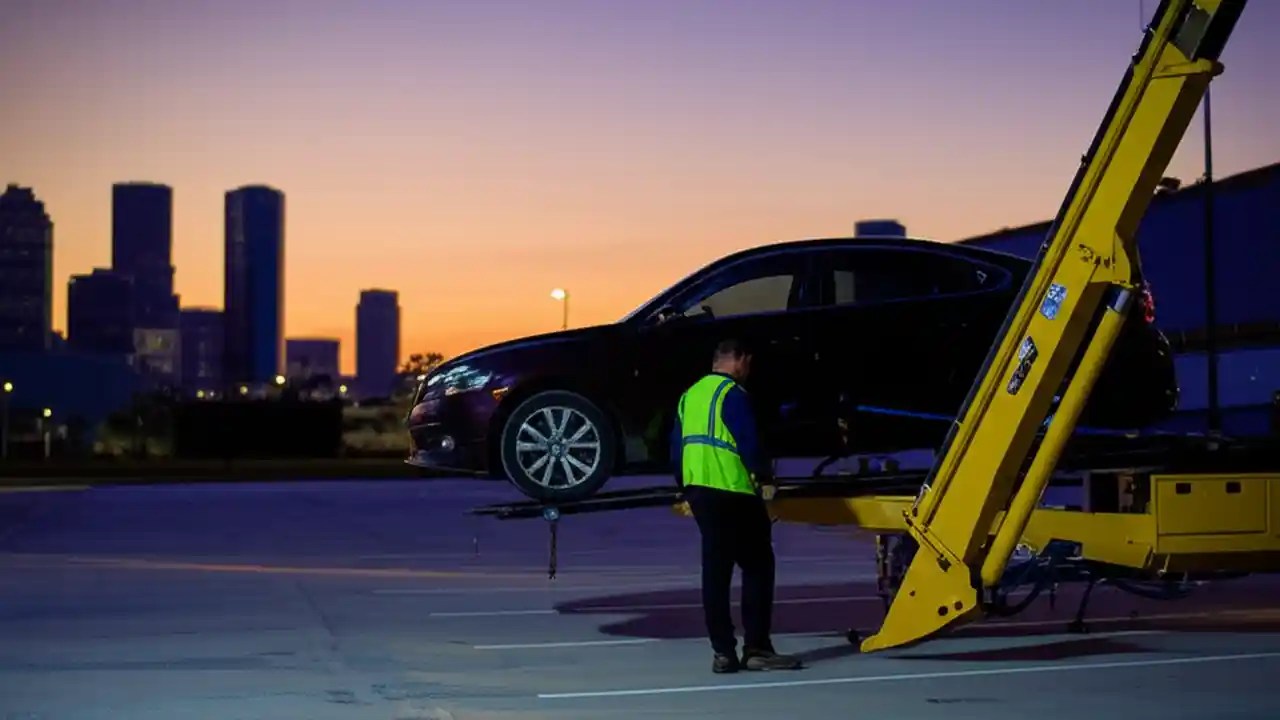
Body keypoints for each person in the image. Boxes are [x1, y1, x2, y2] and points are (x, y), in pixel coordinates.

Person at [670, 338, 804, 673]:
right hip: (734, 491)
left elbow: (676, 449)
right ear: (740, 360)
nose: (749, 371)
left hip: (700, 492)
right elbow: (749, 441)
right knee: (758, 565)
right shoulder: (732, 394)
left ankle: (723, 653)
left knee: (715, 573)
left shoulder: (690, 396)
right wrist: (766, 476)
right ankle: (757, 647)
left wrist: (684, 488)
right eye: (748, 363)